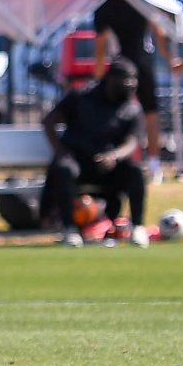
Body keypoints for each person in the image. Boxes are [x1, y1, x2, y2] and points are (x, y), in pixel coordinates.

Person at [41, 57, 149, 247]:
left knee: (135, 170)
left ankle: (138, 227)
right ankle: (69, 229)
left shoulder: (132, 108)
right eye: (127, 79)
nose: (131, 84)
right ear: (111, 79)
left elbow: (133, 142)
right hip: (78, 160)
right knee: (64, 168)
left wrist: (114, 156)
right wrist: (61, 151)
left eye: (134, 79)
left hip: (109, 166)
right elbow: (50, 121)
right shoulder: (82, 95)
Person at [93, 0, 181, 182]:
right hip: (142, 62)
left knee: (117, 113)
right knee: (151, 113)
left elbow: (100, 45)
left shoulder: (105, 4)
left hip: (121, 66)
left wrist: (98, 77)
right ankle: (154, 165)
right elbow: (157, 27)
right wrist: (167, 56)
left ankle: (126, 159)